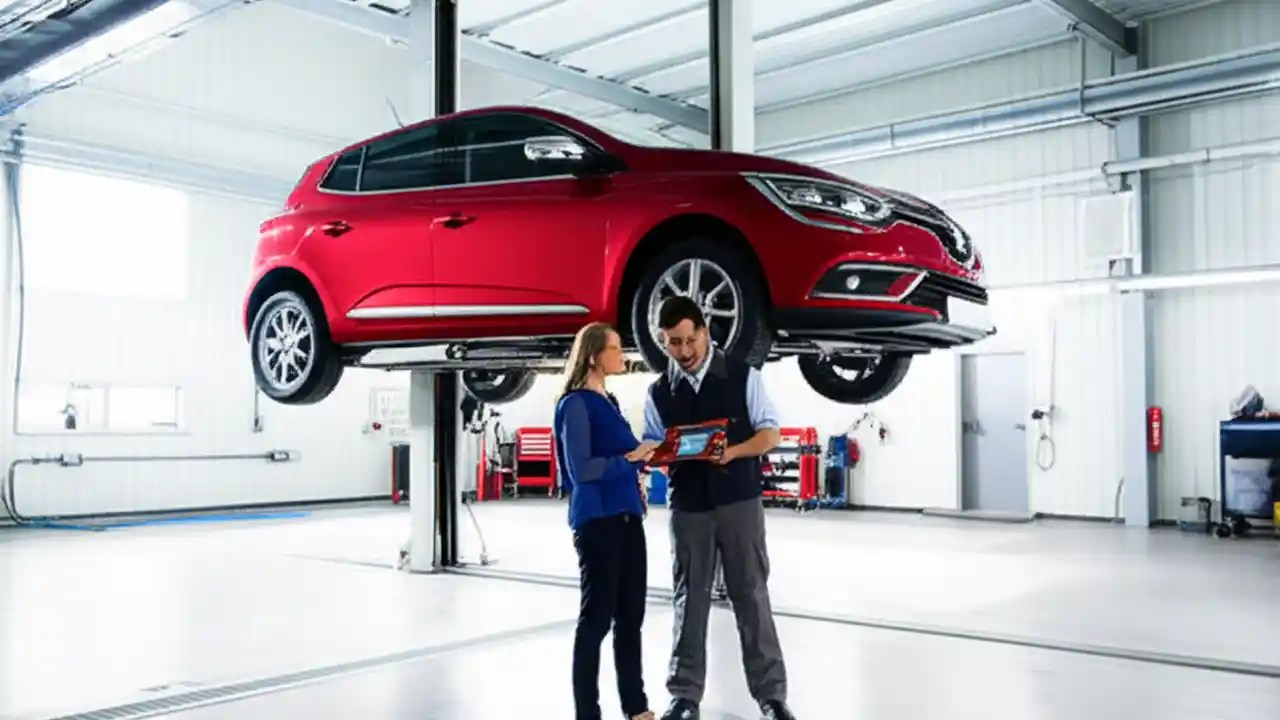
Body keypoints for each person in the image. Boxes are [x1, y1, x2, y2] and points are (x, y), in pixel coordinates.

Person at [642, 296, 796, 720]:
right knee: (689, 598)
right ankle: (684, 696)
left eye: (691, 339)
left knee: (751, 594)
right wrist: (658, 454)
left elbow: (770, 433)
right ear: (663, 340)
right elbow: (655, 448)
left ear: (706, 333)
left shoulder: (744, 376)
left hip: (740, 503)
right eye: (675, 342)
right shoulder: (658, 392)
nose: (686, 351)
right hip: (688, 507)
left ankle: (772, 696)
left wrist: (732, 451)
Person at [554, 321, 661, 720]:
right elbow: (581, 469)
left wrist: (646, 458)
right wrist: (629, 461)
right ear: (595, 355)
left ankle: (636, 707)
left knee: (631, 615)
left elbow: (626, 454)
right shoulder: (575, 403)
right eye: (615, 349)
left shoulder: (610, 402)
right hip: (598, 520)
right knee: (596, 619)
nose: (622, 356)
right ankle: (588, 713)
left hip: (628, 517)